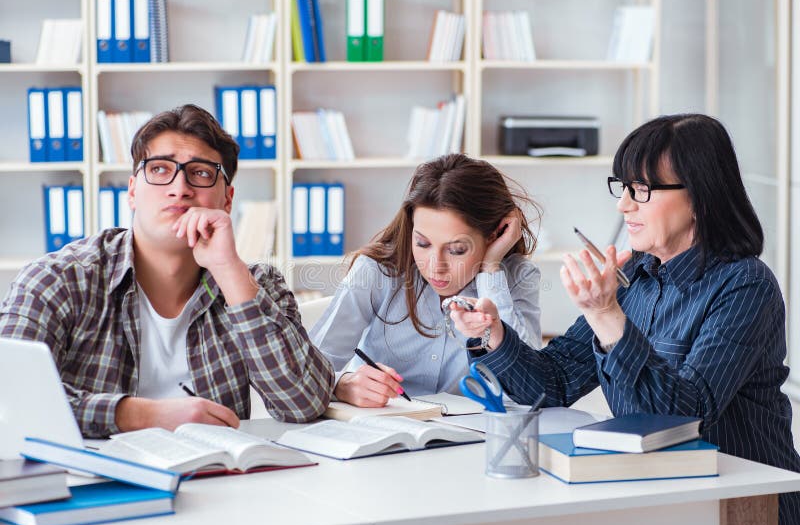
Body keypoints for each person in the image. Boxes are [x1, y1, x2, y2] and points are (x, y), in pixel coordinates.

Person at [449, 113, 800, 525]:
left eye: (642, 190)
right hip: (656, 491)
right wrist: (494, 336)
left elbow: (683, 420)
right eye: (624, 187)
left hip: (744, 503)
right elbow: (554, 383)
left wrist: (605, 314)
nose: (624, 205)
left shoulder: (745, 285)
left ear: (700, 197)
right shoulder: (634, 275)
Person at [0, 104, 334, 437]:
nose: (180, 188)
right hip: (93, 483)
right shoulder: (57, 280)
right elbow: (9, 396)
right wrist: (143, 415)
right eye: (160, 169)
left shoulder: (256, 283)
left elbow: (303, 403)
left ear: (227, 200)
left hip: (219, 480)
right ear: (132, 191)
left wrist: (227, 268)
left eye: (201, 173)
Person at [310, 153, 542, 407]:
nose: (435, 267)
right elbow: (308, 370)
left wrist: (490, 271)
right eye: (422, 243)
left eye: (456, 250)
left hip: (470, 436)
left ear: (494, 234)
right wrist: (341, 385)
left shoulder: (517, 276)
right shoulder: (375, 272)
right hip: (382, 430)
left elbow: (531, 383)